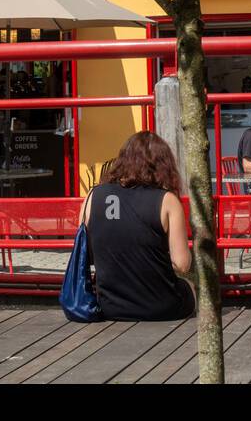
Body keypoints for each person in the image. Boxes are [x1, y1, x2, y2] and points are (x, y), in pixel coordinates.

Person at [82, 131, 195, 321]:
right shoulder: (167, 200)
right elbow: (182, 265)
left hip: (109, 307)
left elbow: (86, 254)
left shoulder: (93, 197)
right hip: (160, 308)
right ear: (163, 165)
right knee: (190, 286)